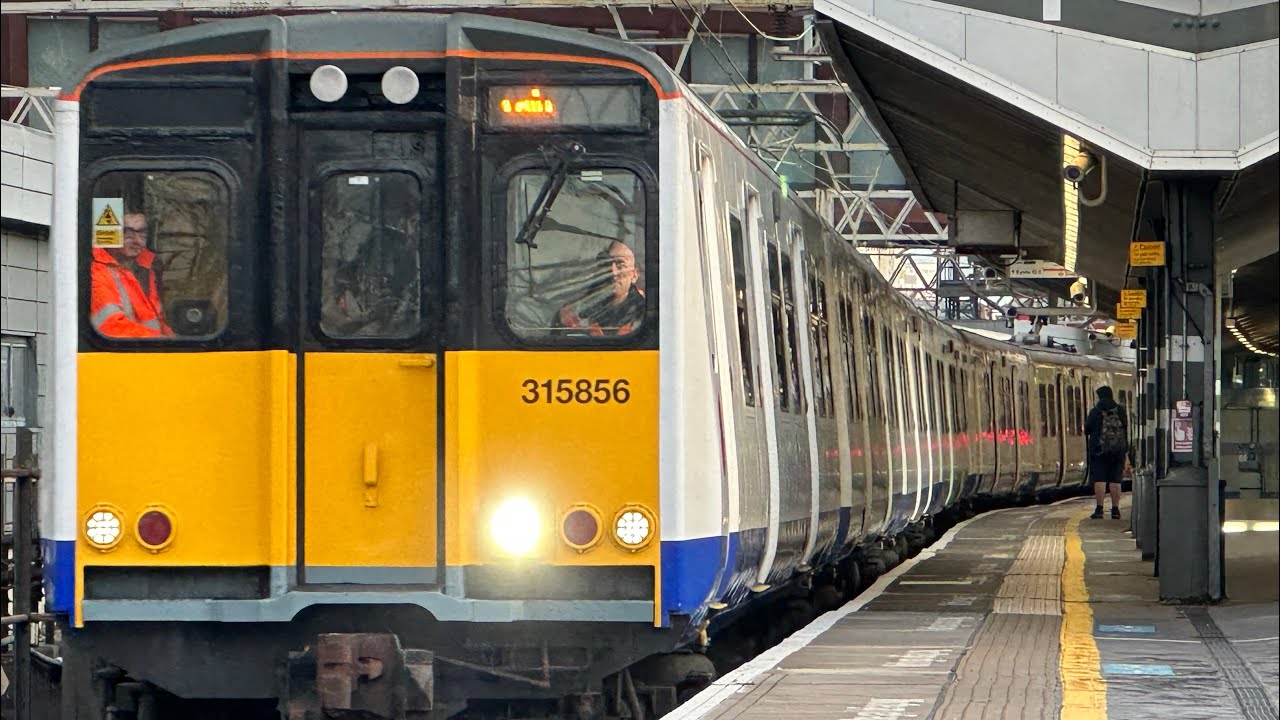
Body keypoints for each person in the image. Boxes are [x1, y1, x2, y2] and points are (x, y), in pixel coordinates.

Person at [90, 211, 173, 338]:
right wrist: (160, 342)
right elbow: (110, 326)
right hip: (123, 354)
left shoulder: (146, 270)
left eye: (142, 234)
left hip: (152, 352)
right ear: (112, 234)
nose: (137, 241)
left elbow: (159, 322)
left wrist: (176, 344)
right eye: (128, 233)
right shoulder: (98, 270)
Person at [553, 240, 645, 337]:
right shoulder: (572, 314)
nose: (613, 272)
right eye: (606, 264)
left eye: (620, 265)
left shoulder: (647, 316)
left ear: (634, 275)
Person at [1083, 385, 1131, 519]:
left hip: (1099, 450)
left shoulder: (1095, 411)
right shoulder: (1120, 410)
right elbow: (1126, 428)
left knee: (1100, 479)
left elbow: (1087, 429)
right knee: (1116, 480)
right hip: (1118, 450)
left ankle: (1099, 509)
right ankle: (1115, 510)